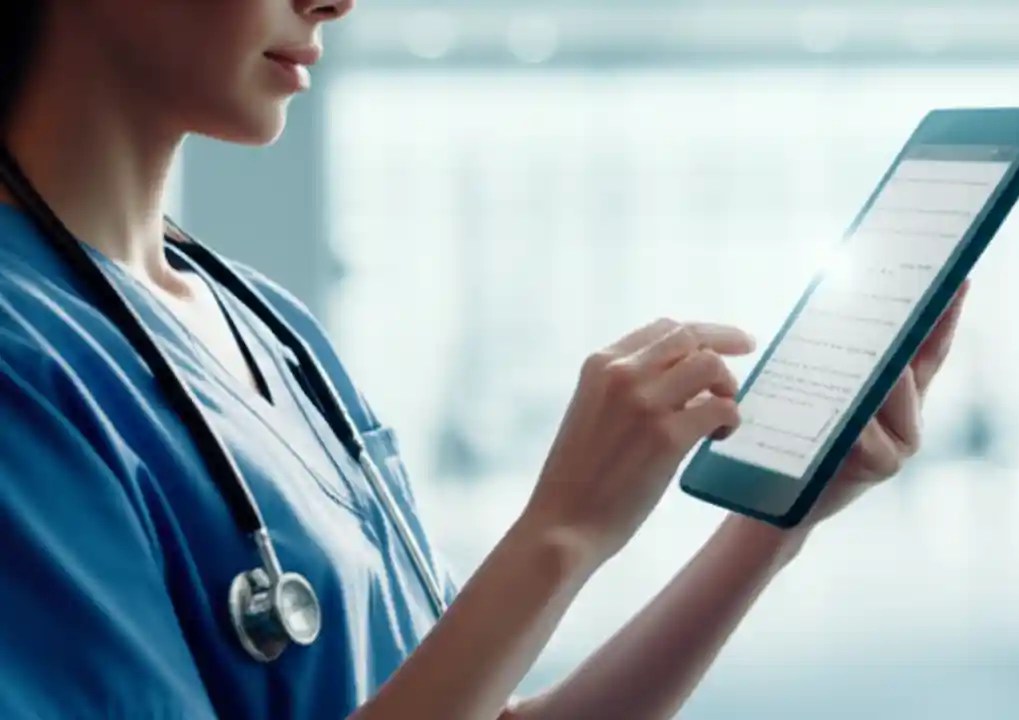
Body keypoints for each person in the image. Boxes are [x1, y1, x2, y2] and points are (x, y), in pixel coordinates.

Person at [0, 1, 969, 718]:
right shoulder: (18, 363)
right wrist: (562, 530)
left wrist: (774, 522)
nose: (335, 1)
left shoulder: (264, 322)